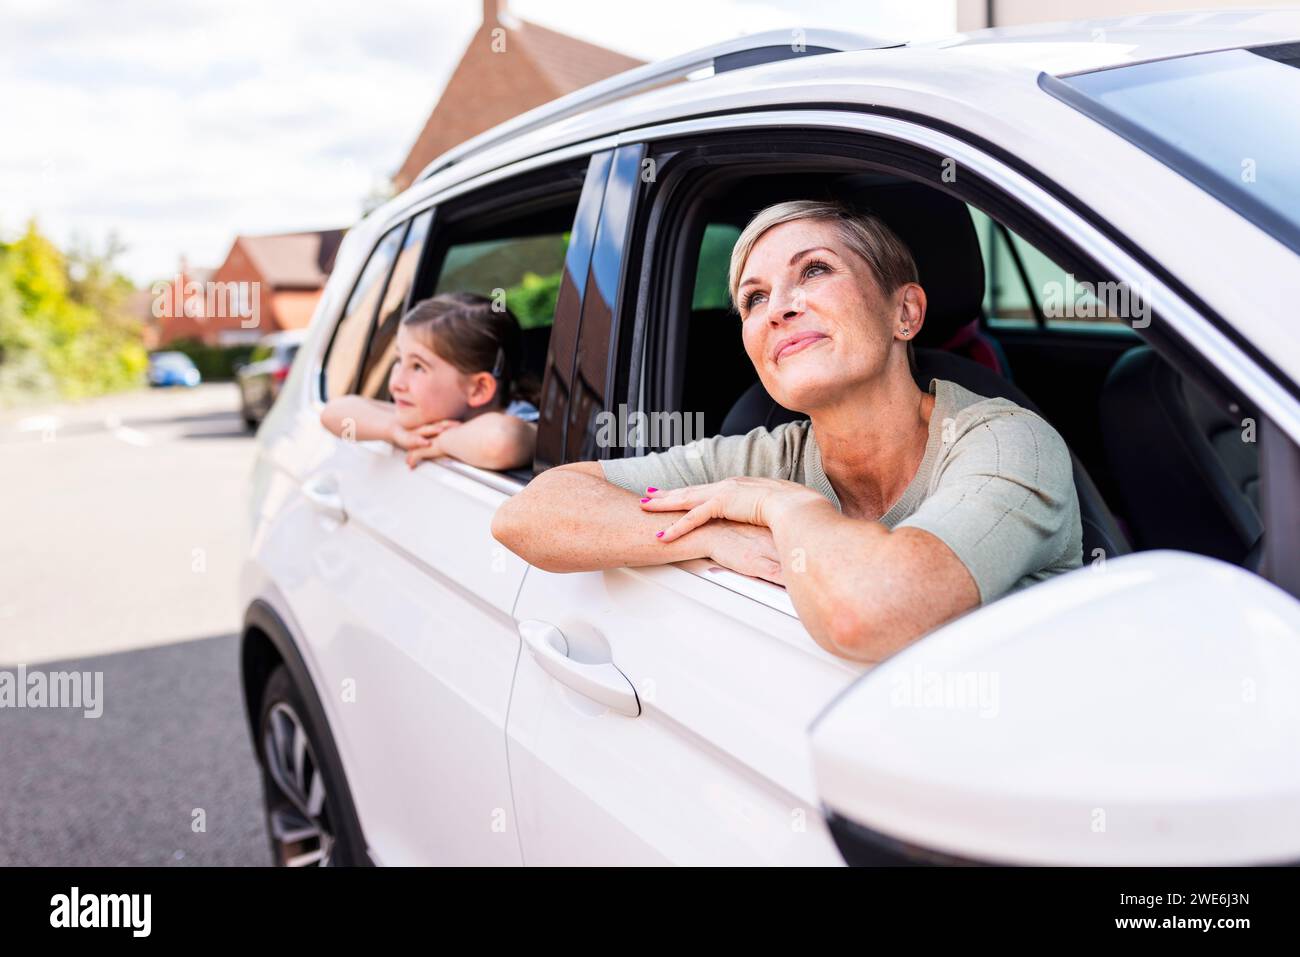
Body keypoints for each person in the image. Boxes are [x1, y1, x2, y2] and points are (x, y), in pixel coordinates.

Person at [491, 199, 1082, 662]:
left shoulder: (1010, 442)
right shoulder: (762, 452)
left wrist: (781, 505)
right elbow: (529, 515)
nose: (778, 308)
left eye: (816, 270)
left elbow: (870, 611)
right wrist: (708, 536)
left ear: (905, 312)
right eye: (753, 299)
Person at [321, 293, 539, 472]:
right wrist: (393, 430)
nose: (396, 383)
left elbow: (500, 441)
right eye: (398, 360)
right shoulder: (429, 416)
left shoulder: (523, 420)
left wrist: (439, 441)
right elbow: (333, 413)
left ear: (478, 389)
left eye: (418, 367)